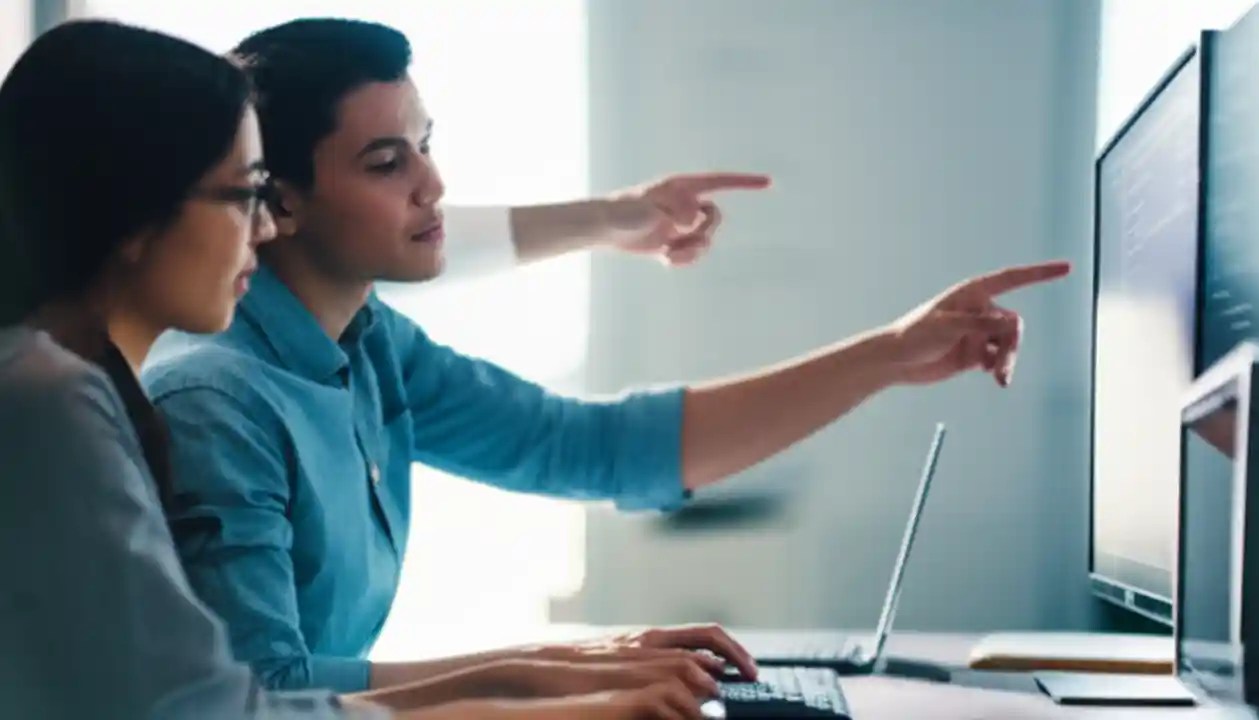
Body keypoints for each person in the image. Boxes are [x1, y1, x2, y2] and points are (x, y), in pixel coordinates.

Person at [143, 16, 1071, 703]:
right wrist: (555, 673)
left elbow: (599, 447)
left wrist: (891, 356)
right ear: (282, 200)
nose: (435, 185)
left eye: (427, 147)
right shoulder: (216, 397)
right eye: (387, 163)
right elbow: (269, 694)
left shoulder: (370, 343)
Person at [0, 18, 711, 720]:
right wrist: (540, 696)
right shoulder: (71, 398)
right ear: (134, 215)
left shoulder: (69, 384)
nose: (265, 226)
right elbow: (224, 709)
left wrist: (545, 679)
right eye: (246, 195)